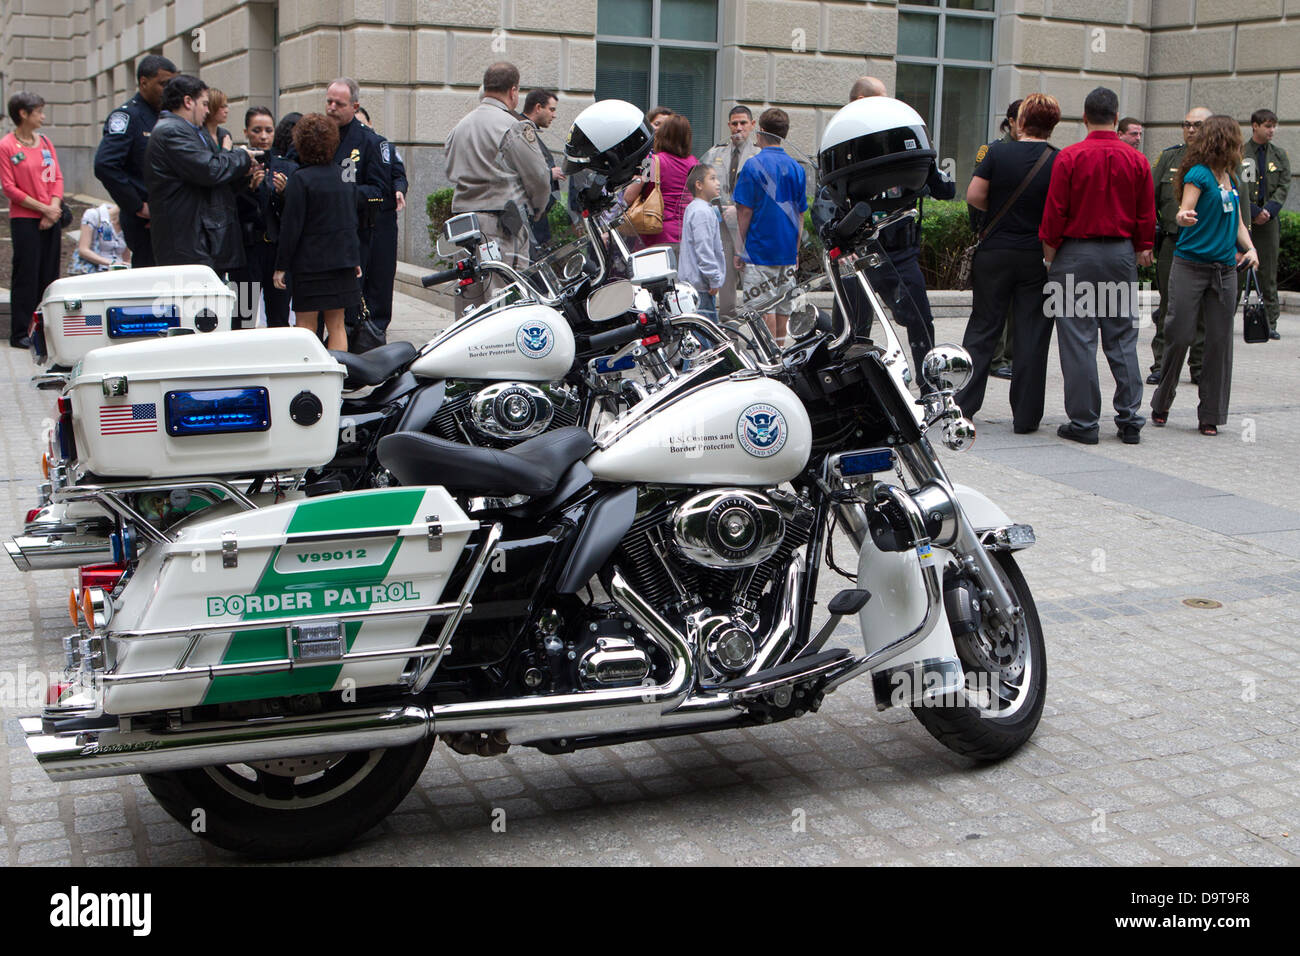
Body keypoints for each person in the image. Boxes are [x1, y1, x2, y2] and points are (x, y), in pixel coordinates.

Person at [1040, 86, 1155, 445]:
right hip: (1120, 254)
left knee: (1078, 340)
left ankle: (1085, 422)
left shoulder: (1070, 157)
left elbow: (1055, 211)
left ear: (1085, 118)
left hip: (1075, 253)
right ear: (1117, 118)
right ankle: (1130, 417)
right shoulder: (1138, 160)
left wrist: (1050, 253)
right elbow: (1145, 213)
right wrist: (1142, 247)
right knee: (1122, 337)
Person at [956, 94, 1061, 433]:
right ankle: (1026, 418)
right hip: (1036, 255)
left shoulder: (998, 153)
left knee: (983, 327)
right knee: (1032, 333)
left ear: (1020, 121)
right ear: (1053, 125)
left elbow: (973, 195)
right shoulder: (1058, 159)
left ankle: (965, 408)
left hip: (996, 251)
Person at [1151, 115, 1258, 435]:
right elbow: (1186, 208)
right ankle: (1162, 401)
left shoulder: (1231, 178)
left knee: (1219, 342)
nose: (1240, 145)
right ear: (1223, 141)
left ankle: (1210, 414)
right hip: (1190, 266)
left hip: (1225, 271)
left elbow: (1238, 223)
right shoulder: (1198, 174)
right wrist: (1183, 217)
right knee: (1180, 335)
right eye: (1236, 139)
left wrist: (1250, 249)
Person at [445, 62, 552, 306]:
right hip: (498, 226)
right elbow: (539, 178)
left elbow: (450, 171)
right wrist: (538, 209)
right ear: (513, 91)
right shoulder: (512, 126)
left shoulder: (459, 127)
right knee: (501, 302)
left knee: (469, 304)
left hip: (462, 225)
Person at [143, 75, 258, 272]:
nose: (207, 110)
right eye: (204, 104)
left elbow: (211, 179)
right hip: (186, 243)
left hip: (194, 240)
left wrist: (243, 172)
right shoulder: (173, 132)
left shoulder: (184, 131)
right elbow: (210, 170)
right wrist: (242, 157)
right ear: (188, 102)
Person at [274, 114, 362, 351]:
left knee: (305, 327)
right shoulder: (345, 176)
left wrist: (281, 266)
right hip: (342, 261)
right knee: (337, 325)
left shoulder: (300, 180)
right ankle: (337, 379)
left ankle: (309, 378)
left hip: (310, 265)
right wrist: (354, 259)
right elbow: (350, 221)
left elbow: (291, 226)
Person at [324, 77, 392, 344]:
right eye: (328, 101)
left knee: (347, 310)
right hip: (317, 237)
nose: (331, 107)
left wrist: (342, 193)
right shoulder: (313, 135)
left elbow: (379, 192)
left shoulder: (369, 142)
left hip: (353, 235)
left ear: (354, 106)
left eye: (338, 103)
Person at [93, 54, 177, 268]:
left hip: (168, 215)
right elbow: (105, 165)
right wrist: (138, 205)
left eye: (171, 84)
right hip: (144, 220)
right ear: (143, 82)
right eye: (163, 84)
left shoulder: (167, 116)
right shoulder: (128, 117)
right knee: (151, 279)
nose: (168, 90)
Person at [1148, 106, 1212, 385]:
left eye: (1197, 125)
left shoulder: (1219, 162)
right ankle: (1161, 364)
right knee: (1169, 306)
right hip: (1173, 243)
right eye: (1186, 124)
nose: (1190, 130)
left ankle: (1199, 366)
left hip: (1207, 246)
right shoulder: (1169, 157)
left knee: (1204, 310)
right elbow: (1148, 201)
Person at [733, 107, 806, 342]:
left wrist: (738, 248)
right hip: (786, 251)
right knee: (783, 306)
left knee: (764, 307)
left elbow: (744, 212)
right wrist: (795, 251)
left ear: (761, 131)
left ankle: (768, 360)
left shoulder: (752, 166)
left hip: (759, 251)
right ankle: (781, 352)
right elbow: (800, 214)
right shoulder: (797, 168)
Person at [1, 91, 65, 348]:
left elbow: (57, 177)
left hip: (51, 216)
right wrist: (43, 209)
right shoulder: (6, 146)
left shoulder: (46, 143)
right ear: (23, 114)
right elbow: (9, 188)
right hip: (25, 219)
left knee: (49, 275)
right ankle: (20, 333)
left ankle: (45, 331)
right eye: (38, 112)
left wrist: (53, 208)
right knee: (27, 275)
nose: (43, 116)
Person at [972, 99, 1024, 381]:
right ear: (1011, 121)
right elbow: (976, 195)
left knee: (1019, 304)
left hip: (1023, 237)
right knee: (998, 303)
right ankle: (996, 357)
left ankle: (1014, 356)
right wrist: (980, 228)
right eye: (1022, 119)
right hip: (997, 234)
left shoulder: (1036, 151)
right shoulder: (991, 150)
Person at [230, 106, 290, 327]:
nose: (263, 136)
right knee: (242, 317)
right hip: (247, 251)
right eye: (257, 130)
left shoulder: (283, 165)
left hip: (275, 252)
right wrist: (249, 189)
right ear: (246, 132)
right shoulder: (235, 163)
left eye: (268, 130)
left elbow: (291, 214)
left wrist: (284, 193)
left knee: (279, 317)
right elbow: (231, 207)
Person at [701, 105, 760, 318]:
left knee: (752, 283)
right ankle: (729, 331)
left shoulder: (759, 155)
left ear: (752, 125)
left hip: (750, 228)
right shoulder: (715, 154)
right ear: (728, 125)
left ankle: (757, 330)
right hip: (723, 228)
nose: (738, 128)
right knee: (726, 283)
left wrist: (739, 210)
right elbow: (703, 187)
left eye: (743, 123)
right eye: (734, 123)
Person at [1236, 109, 1290, 339]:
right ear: (1255, 126)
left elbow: (1284, 184)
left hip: (1268, 221)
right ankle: (1226, 316)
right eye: (1267, 126)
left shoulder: (1278, 155)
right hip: (1246, 218)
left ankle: (1270, 321)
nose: (1272, 130)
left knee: (1267, 270)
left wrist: (1268, 210)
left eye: (1274, 126)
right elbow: (1237, 182)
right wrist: (1254, 211)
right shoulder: (1242, 153)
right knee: (1238, 269)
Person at [354, 104, 404, 336]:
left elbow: (399, 174)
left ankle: (376, 326)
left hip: (383, 218)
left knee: (381, 275)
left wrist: (399, 190)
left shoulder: (384, 147)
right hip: (359, 220)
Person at [624, 112, 696, 252]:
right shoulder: (695, 164)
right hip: (687, 234)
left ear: (663, 134)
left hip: (657, 233)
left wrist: (635, 180)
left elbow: (628, 197)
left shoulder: (651, 162)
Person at [678, 164, 726, 320]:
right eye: (712, 178)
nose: (717, 182)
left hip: (695, 283)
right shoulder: (702, 212)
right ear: (699, 185)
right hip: (701, 285)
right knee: (706, 335)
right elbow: (703, 249)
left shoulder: (696, 208)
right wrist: (713, 278)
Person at [521, 89, 565, 255]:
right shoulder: (522, 130)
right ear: (538, 108)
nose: (554, 115)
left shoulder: (529, 130)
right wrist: (549, 174)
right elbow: (523, 171)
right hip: (530, 218)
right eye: (551, 110)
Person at [68, 203, 130, 274]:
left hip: (117, 274)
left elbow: (126, 258)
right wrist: (112, 263)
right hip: (93, 272)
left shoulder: (127, 226)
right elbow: (83, 250)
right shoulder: (94, 215)